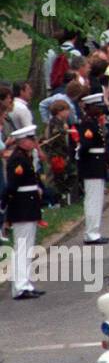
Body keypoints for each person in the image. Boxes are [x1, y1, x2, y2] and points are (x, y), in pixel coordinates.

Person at [4, 125, 43, 299]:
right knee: (22, 247)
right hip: (22, 208)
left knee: (27, 247)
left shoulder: (24, 156)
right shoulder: (18, 159)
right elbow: (12, 186)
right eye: (31, 140)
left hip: (28, 206)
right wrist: (4, 207)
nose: (34, 143)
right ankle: (20, 287)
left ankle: (25, 283)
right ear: (22, 142)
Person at [75, 93, 109, 245]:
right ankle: (91, 233)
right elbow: (86, 146)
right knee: (93, 200)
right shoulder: (88, 123)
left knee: (97, 200)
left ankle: (94, 231)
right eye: (98, 106)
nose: (100, 109)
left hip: (97, 163)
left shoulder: (94, 122)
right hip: (92, 165)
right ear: (90, 108)